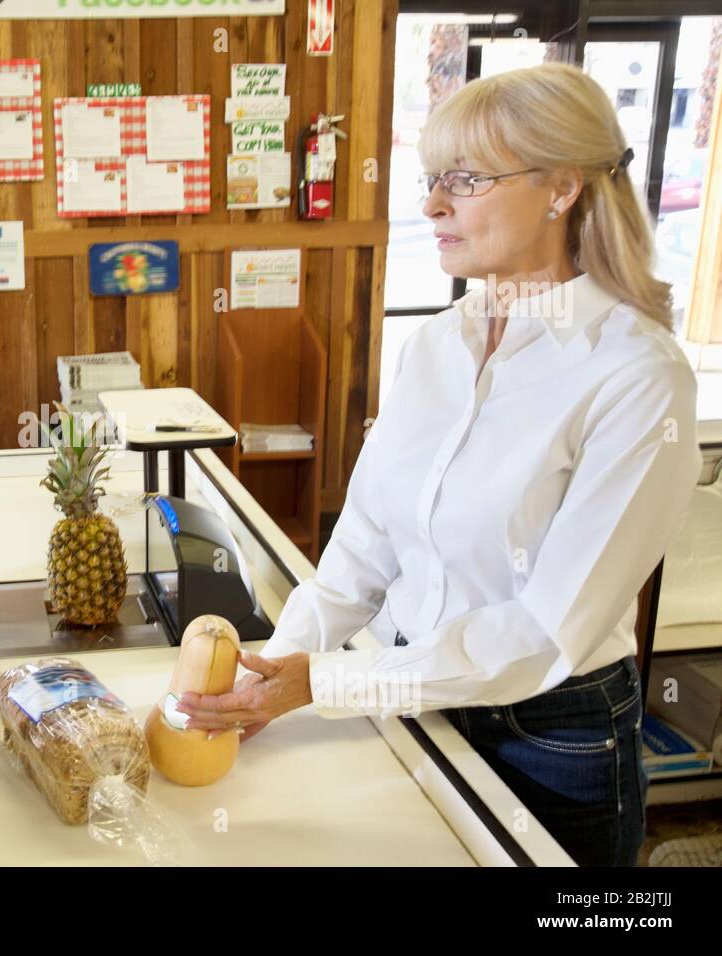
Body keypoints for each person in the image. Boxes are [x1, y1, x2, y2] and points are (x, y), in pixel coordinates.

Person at [177, 63, 702, 866]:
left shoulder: (636, 373)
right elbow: (363, 551)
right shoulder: (435, 347)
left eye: (465, 179)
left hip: (549, 740)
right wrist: (272, 670)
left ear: (561, 189)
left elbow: (544, 631)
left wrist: (327, 684)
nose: (430, 207)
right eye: (431, 180)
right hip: (412, 700)